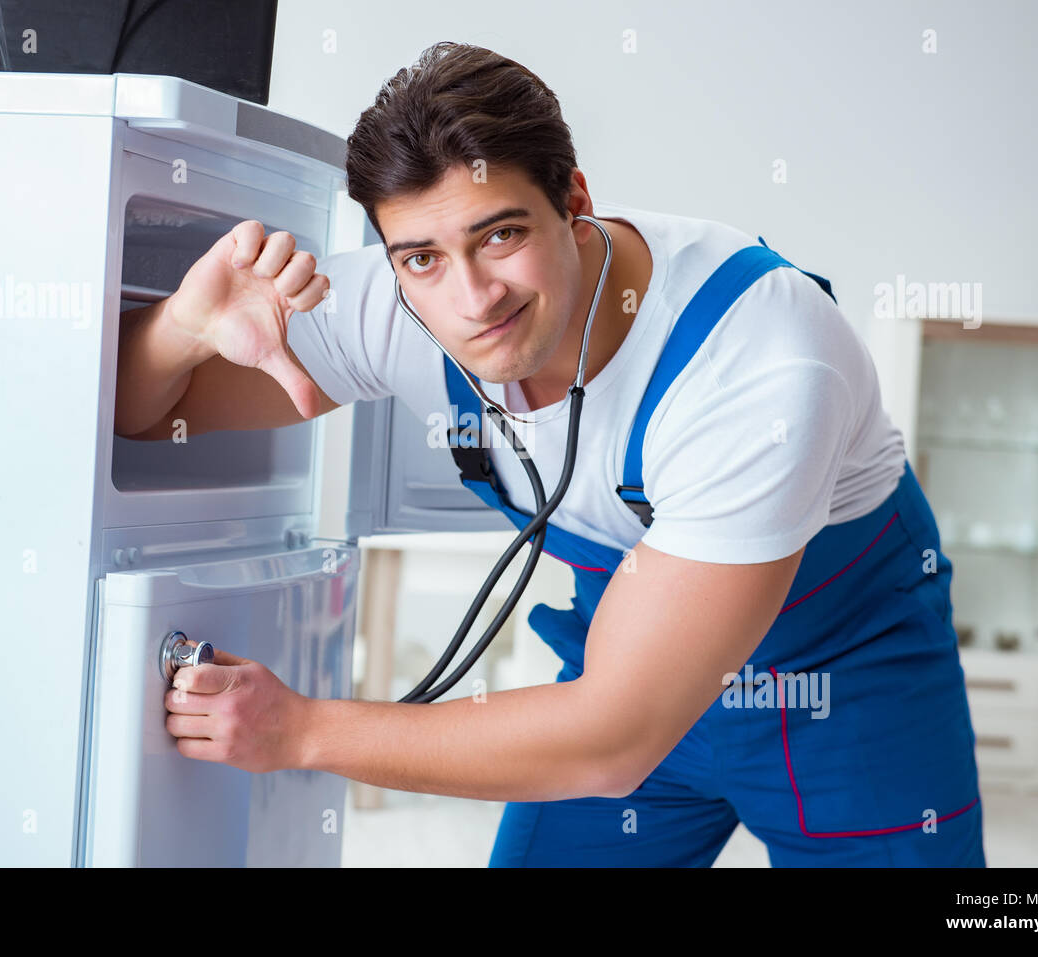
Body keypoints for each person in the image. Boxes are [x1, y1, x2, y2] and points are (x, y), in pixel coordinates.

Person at [114, 41, 986, 867]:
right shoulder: (398, 300)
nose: (472, 298)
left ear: (574, 200)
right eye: (420, 257)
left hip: (840, 686)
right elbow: (140, 415)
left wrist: (301, 730)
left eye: (501, 235)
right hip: (625, 662)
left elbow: (613, 740)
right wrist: (183, 327)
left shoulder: (760, 360)